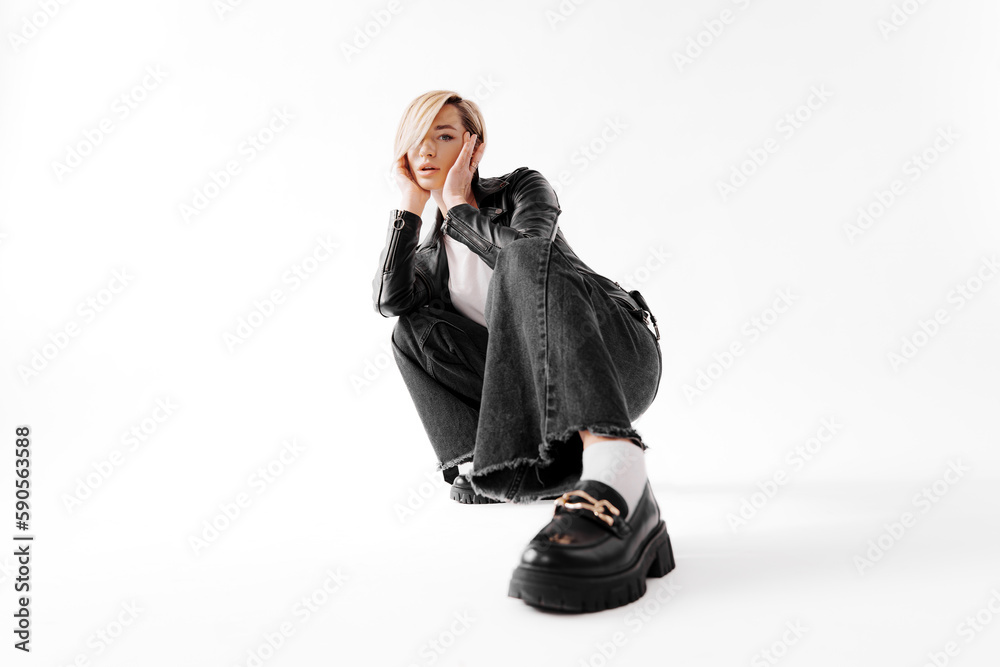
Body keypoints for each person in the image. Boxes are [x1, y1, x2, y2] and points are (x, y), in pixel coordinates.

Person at [371, 90, 675, 612]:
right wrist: (409, 208)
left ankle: (619, 471)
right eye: (416, 139)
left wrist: (460, 207)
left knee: (520, 258)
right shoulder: (427, 256)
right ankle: (498, 464)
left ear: (474, 146)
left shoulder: (521, 188)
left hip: (616, 355)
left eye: (443, 136)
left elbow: (528, 254)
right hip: (538, 396)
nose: (426, 151)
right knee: (410, 329)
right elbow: (390, 301)